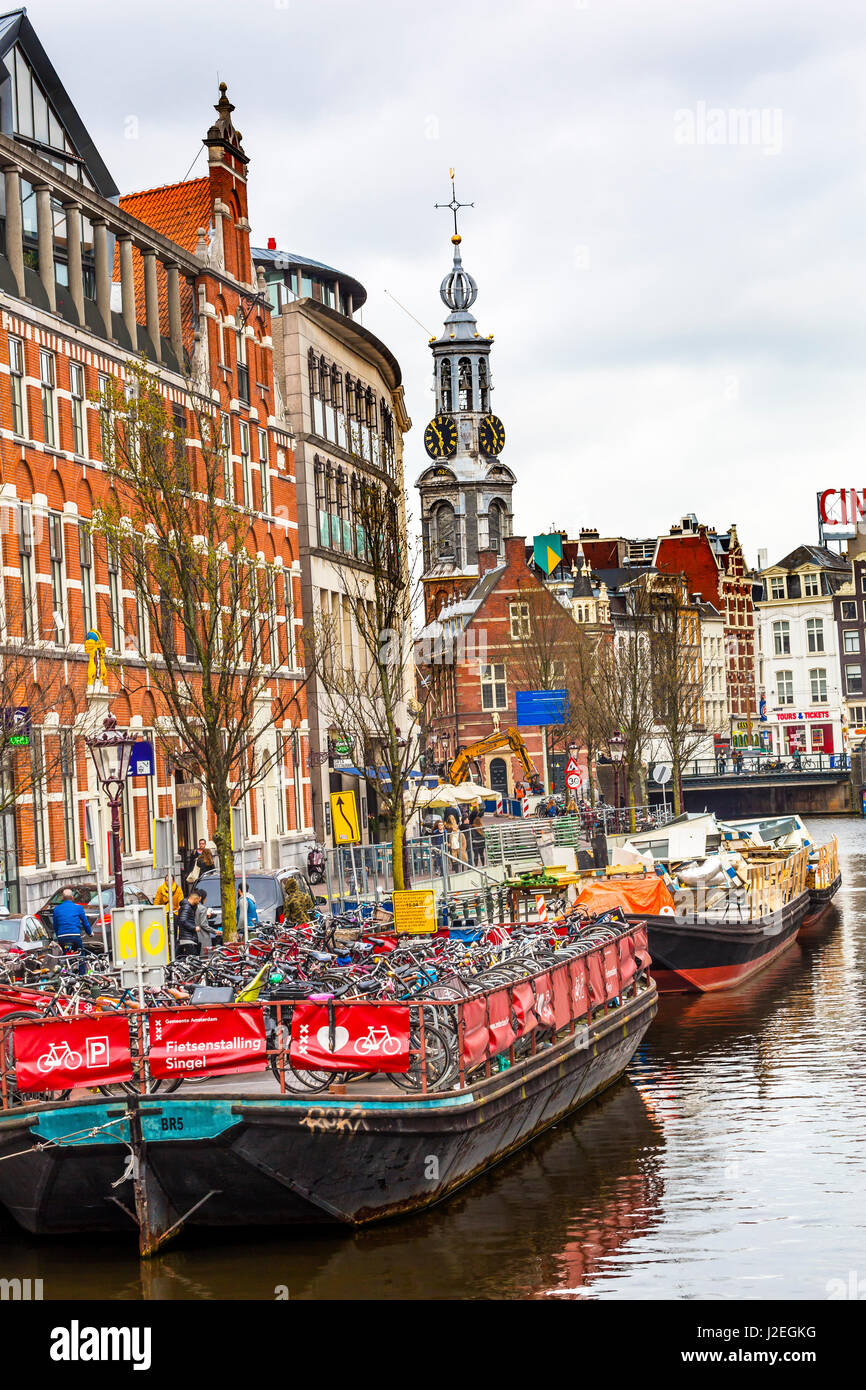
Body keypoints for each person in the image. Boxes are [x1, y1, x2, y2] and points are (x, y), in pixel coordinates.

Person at [52, 886, 92, 975]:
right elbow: (85, 923)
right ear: (72, 898)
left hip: (62, 937)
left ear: (62, 898)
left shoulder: (56, 909)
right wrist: (90, 933)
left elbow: (55, 925)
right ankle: (82, 975)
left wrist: (58, 935)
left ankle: (64, 972)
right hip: (75, 936)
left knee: (65, 955)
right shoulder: (78, 908)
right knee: (81, 954)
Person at [175, 890, 202, 958]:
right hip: (187, 938)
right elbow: (183, 920)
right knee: (193, 959)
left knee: (189, 958)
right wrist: (194, 928)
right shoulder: (187, 907)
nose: (199, 902)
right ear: (195, 899)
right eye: (198, 900)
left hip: (187, 937)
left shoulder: (187, 906)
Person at [194, 889, 211, 957]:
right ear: (202, 898)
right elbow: (203, 925)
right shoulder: (203, 908)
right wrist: (215, 931)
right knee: (205, 956)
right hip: (202, 935)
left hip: (194, 935)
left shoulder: (193, 907)